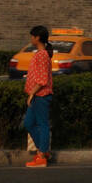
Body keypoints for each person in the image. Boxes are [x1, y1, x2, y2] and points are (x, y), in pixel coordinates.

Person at [22, 25, 53, 168]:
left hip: (41, 95)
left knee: (42, 125)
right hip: (37, 96)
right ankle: (44, 150)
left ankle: (41, 156)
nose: (31, 38)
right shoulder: (41, 53)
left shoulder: (42, 55)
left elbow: (42, 80)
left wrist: (32, 94)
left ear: (38, 38)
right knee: (28, 123)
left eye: (32, 36)